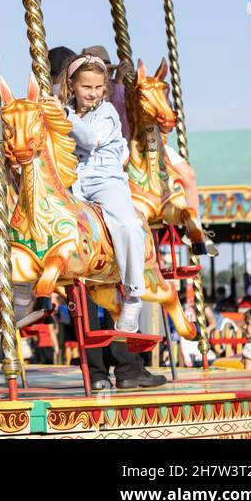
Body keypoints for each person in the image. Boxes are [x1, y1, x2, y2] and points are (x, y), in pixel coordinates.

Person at [62, 53, 150, 333]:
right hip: (71, 181)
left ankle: (134, 295)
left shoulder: (107, 112)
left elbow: (89, 140)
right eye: (87, 87)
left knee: (128, 224)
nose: (93, 93)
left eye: (99, 87)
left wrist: (62, 116)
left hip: (103, 181)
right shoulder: (64, 108)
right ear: (72, 85)